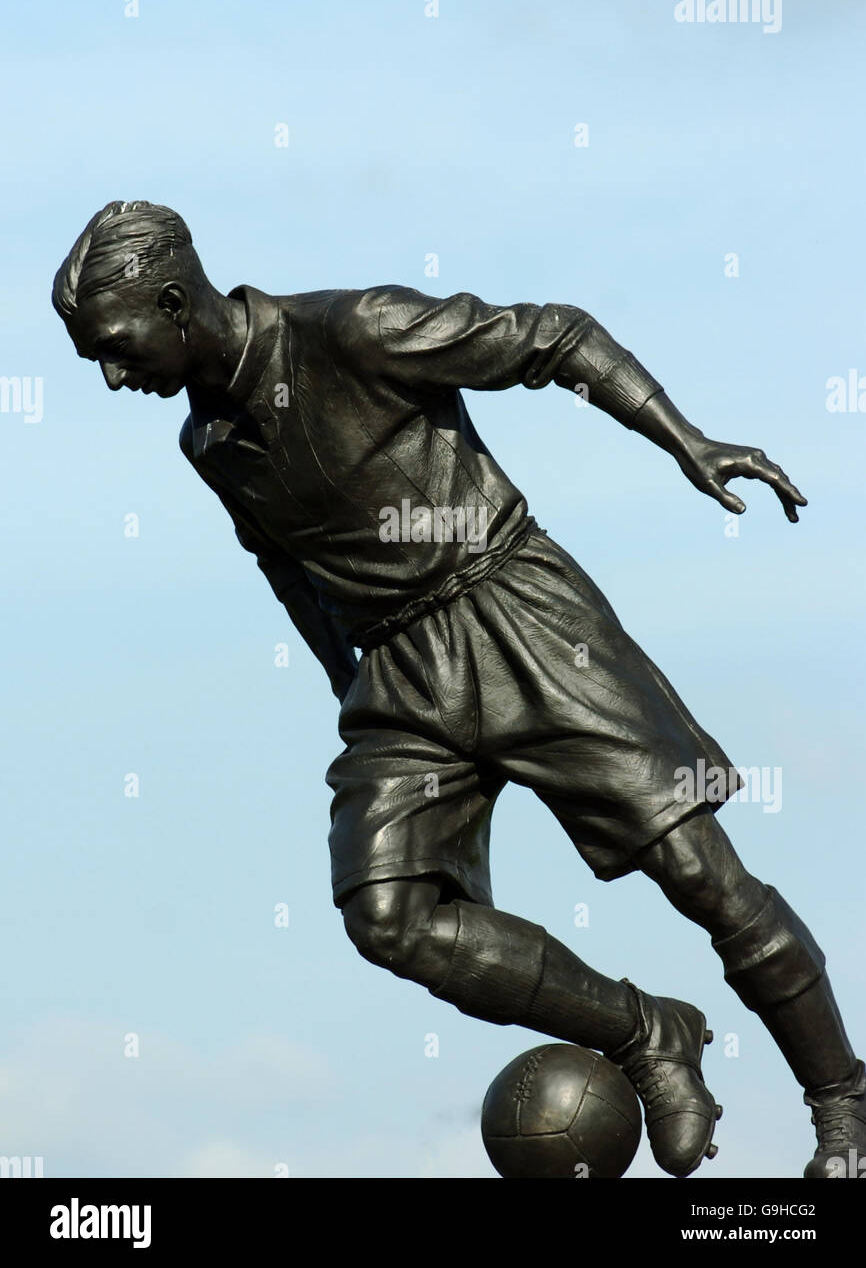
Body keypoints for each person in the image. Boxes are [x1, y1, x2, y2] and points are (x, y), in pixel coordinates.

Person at [53, 199, 865, 1179]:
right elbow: (283, 564)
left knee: (700, 875)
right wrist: (347, 684)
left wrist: (683, 439)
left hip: (518, 613)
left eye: (115, 345)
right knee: (387, 913)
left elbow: (553, 335)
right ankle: (648, 1032)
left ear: (176, 303)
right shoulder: (207, 444)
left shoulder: (352, 330)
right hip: (399, 672)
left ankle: (840, 1109)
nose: (110, 374)